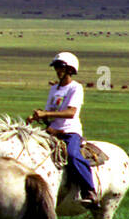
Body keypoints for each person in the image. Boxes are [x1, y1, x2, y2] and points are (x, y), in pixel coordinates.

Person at [29, 51, 97, 205]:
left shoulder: (75, 88)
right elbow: (50, 111)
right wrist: (38, 117)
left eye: (60, 67)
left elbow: (71, 112)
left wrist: (46, 113)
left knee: (73, 156)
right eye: (56, 67)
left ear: (70, 70)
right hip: (51, 130)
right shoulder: (54, 89)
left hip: (69, 131)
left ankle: (89, 190)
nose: (58, 71)